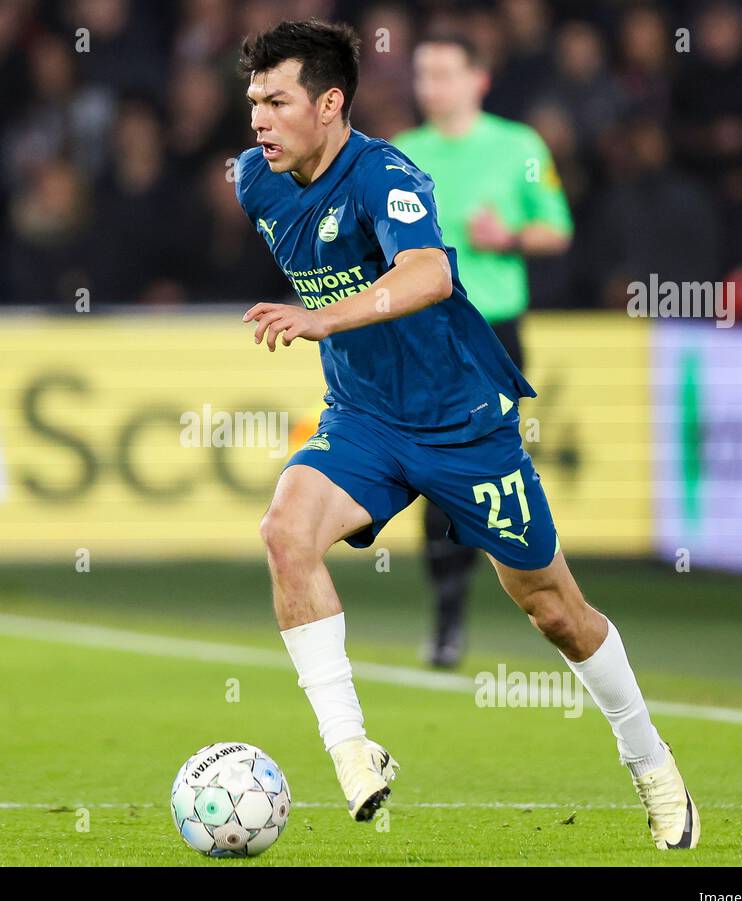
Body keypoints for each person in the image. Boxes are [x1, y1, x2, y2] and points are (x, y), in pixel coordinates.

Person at [233, 18, 698, 849]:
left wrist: (321, 318)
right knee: (284, 530)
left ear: (330, 103)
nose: (258, 120)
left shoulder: (389, 176)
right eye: (253, 101)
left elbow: (430, 273)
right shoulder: (253, 180)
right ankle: (350, 749)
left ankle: (650, 759)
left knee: (555, 609)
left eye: (276, 101)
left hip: (461, 423)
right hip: (365, 417)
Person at [391, 32, 572, 668]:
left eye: (443, 72)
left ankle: (550, 605)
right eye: (423, 73)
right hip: (426, 332)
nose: (430, 85)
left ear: (479, 79)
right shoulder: (401, 154)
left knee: (490, 473)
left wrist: (509, 236)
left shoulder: (519, 146)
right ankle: (448, 620)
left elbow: (558, 228)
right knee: (432, 476)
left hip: (494, 332)